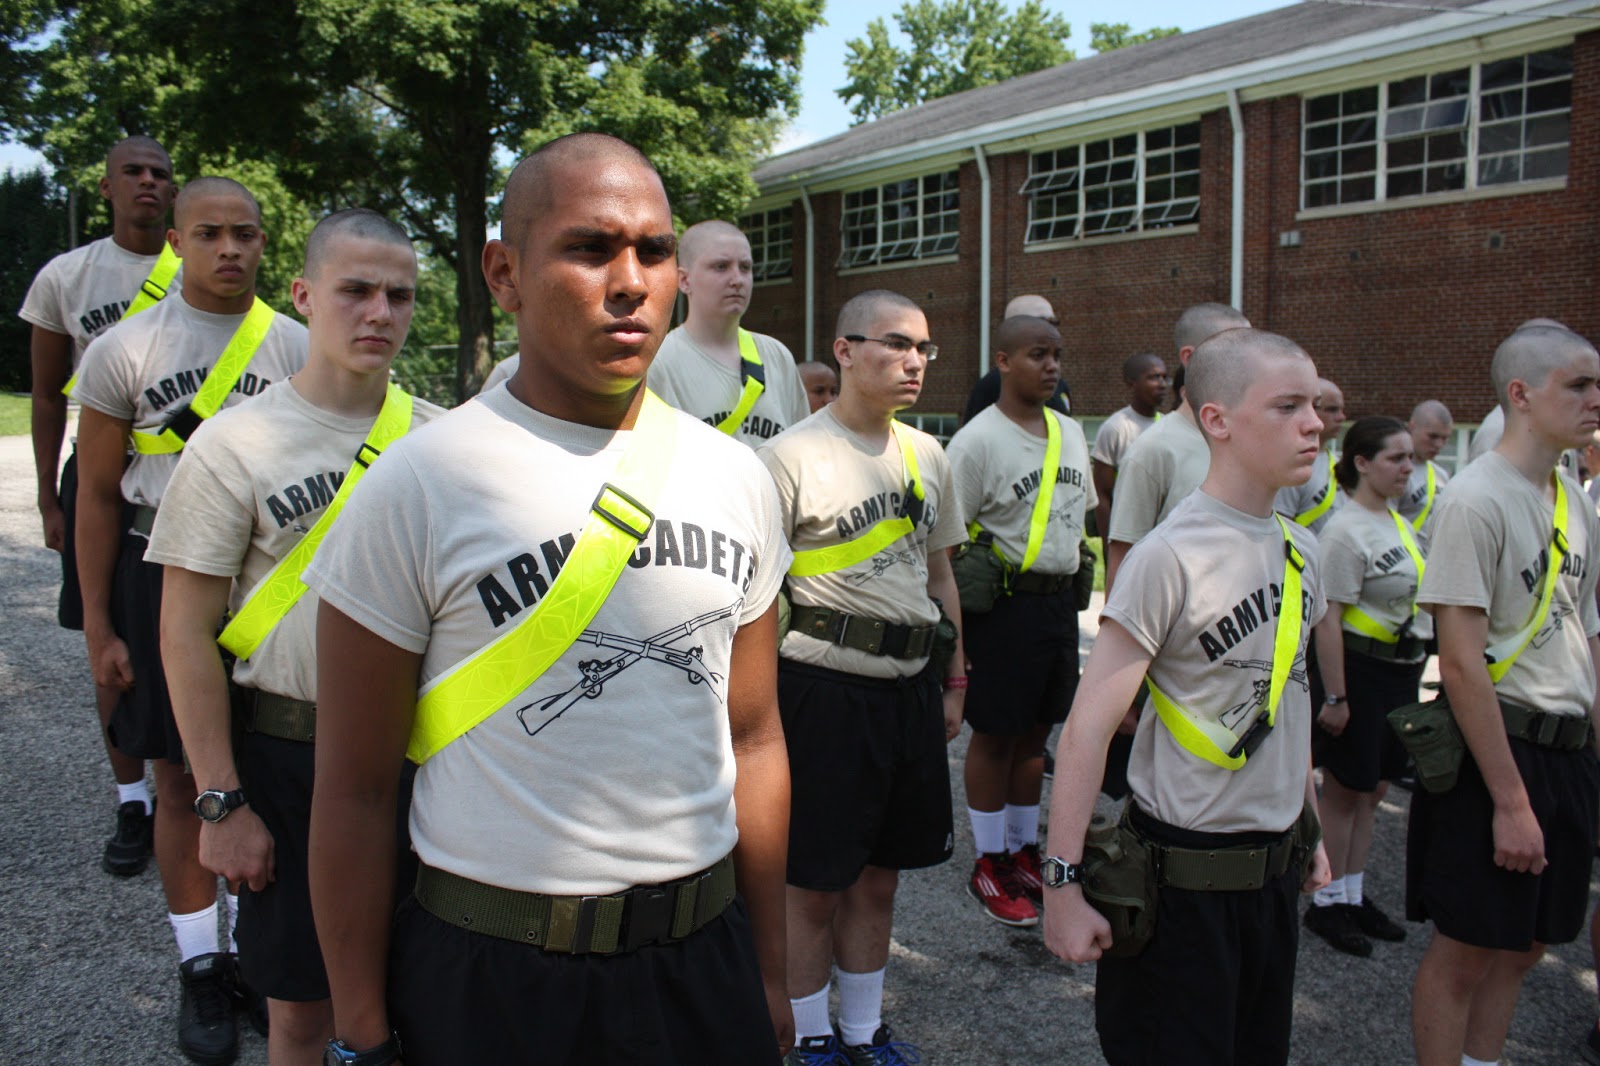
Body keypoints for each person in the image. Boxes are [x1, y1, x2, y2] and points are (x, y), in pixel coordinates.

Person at [303, 134, 793, 1065]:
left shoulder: (738, 478)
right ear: (504, 271)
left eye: (653, 251)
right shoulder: (420, 485)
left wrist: (769, 973)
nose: (630, 281)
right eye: (588, 247)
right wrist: (359, 1030)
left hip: (703, 961)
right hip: (497, 977)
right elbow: (357, 792)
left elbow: (757, 738)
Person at [148, 209, 443, 1066]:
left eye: (399, 295)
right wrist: (221, 802)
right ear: (305, 294)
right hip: (292, 767)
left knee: (427, 997)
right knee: (303, 1014)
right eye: (356, 290)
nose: (379, 312)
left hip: (426, 761)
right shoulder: (234, 446)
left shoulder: (445, 440)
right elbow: (184, 634)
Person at [1041, 328, 1331, 1066]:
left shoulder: (1302, 549)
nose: (1316, 424)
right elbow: (1085, 731)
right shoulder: (1169, 555)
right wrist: (1062, 888)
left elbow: (1286, 709)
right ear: (1218, 421)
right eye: (1288, 406)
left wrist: (1314, 831)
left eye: (1316, 406)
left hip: (1273, 877)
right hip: (1183, 889)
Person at [72, 175, 310, 1063]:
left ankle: (259, 955)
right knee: (183, 780)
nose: (230, 249)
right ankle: (202, 966)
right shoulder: (125, 351)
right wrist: (100, 624)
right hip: (160, 569)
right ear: (175, 240)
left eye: (245, 232)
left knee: (271, 772)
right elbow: (97, 497)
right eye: (208, 232)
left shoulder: (296, 344)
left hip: (274, 582)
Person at [759, 289, 966, 1064]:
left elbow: (940, 575)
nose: (912, 361)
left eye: (922, 349)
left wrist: (955, 680)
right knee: (813, 883)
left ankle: (862, 1031)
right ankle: (811, 1038)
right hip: (823, 692)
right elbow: (755, 594)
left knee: (881, 879)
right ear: (844, 351)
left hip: (909, 685)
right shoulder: (788, 457)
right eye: (894, 344)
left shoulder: (928, 453)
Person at [1408, 324, 1600, 1066]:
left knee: (1525, 947)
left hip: (1566, 750)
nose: (1593, 399)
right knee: (1465, 951)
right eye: (1577, 384)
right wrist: (1512, 802)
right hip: (1498, 752)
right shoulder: (1475, 500)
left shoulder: (1574, 502)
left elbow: (1586, 639)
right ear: (1521, 395)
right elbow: (1459, 664)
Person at [19, 134, 178, 876]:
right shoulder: (68, 276)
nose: (148, 183)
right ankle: (131, 799)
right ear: (108, 187)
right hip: (101, 474)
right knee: (106, 638)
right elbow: (48, 395)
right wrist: (54, 495)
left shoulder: (202, 264)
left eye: (160, 174)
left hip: (187, 476)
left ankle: (196, 779)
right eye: (134, 174)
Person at [947, 314, 1092, 927]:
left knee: (1037, 736)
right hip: (1002, 608)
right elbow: (945, 546)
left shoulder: (1069, 431)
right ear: (1003, 362)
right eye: (1038, 354)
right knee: (996, 735)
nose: (1052, 365)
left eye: (1057, 354)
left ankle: (1021, 846)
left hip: (1058, 606)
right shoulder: (978, 441)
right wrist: (954, 643)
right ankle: (989, 860)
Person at [1303, 416, 1427, 958]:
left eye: (1410, 459)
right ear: (1361, 463)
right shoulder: (1345, 529)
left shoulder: (1397, 521)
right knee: (1346, 788)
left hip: (1402, 672)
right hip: (1359, 671)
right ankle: (1326, 901)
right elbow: (1328, 618)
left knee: (1374, 789)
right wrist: (1336, 696)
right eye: (1395, 458)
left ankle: (1353, 894)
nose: (1408, 468)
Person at [1103, 302, 1250, 596]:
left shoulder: (1245, 440)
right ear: (1191, 357)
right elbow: (1123, 555)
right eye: (1236, 349)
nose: (1249, 361)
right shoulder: (1154, 449)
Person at [648, 220, 809, 446]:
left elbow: (799, 450)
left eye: (745, 267)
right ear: (684, 280)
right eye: (721, 267)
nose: (737, 280)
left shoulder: (777, 356)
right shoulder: (659, 361)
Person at [1091, 352, 1168, 544]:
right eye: (1153, 377)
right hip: (1128, 535)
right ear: (1131, 383)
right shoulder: (1116, 428)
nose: (1162, 384)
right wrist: (1109, 546)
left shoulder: (1168, 426)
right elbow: (1101, 495)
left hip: (1163, 537)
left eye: (1164, 377)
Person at [960, 295, 1069, 424]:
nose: (1050, 329)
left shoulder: (1058, 384)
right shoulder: (992, 386)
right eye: (1042, 322)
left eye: (1054, 323)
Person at [1274, 377, 1345, 535]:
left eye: (1341, 410)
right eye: (1332, 409)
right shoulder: (1289, 465)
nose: (1342, 417)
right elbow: (1281, 530)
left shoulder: (1336, 461)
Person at [1399, 399, 1455, 535]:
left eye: (1445, 438)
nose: (1439, 445)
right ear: (1412, 427)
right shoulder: (1395, 472)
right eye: (1433, 436)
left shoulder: (1441, 474)